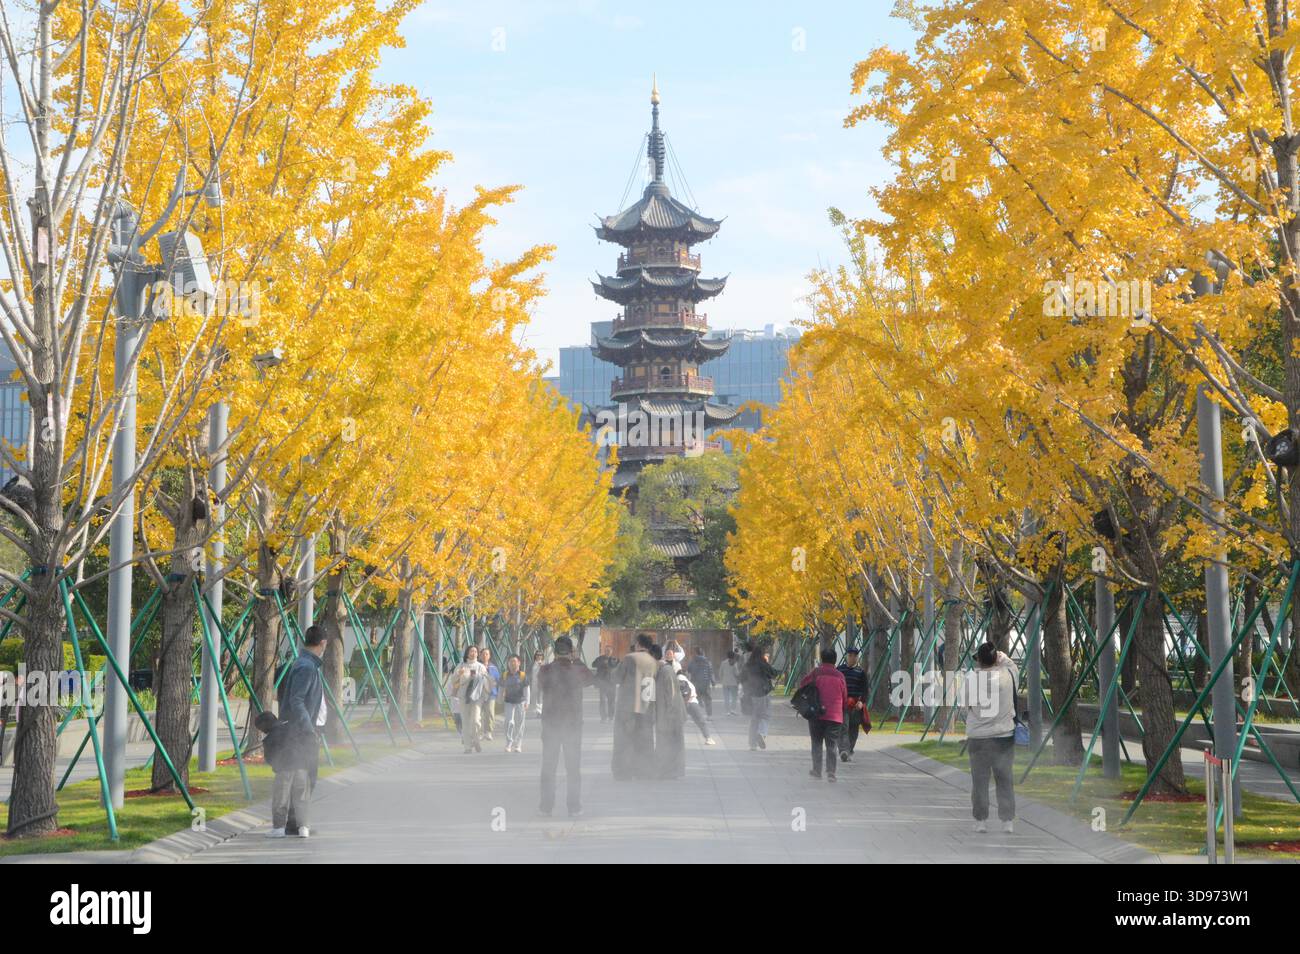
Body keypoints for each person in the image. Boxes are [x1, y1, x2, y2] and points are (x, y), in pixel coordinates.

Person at [271, 625, 328, 837]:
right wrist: (308, 728)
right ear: (322, 643)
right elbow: (296, 700)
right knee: (302, 776)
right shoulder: (306, 666)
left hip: (302, 729)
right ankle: (294, 824)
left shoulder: (305, 663)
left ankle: (296, 824)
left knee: (301, 776)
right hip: (302, 731)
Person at [965, 642, 1018, 833]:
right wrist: (1000, 656)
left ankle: (980, 821)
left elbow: (966, 705)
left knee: (979, 780)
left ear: (978, 660)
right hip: (1003, 736)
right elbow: (1011, 664)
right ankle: (1007, 821)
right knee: (1004, 777)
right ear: (996, 659)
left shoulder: (971, 678)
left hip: (978, 737)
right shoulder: (1008, 675)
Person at [537, 635, 593, 817]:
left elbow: (541, 684)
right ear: (571, 651)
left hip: (551, 724)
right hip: (573, 725)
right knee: (573, 769)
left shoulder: (545, 670)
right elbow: (590, 679)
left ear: (554, 650)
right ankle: (574, 807)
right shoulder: (577, 670)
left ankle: (546, 807)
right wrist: (575, 659)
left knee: (548, 768)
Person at [612, 633, 659, 780]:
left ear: (638, 644)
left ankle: (623, 773)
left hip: (627, 706)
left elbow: (616, 677)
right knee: (644, 741)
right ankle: (644, 771)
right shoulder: (653, 661)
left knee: (623, 740)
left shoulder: (629, 658)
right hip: (647, 706)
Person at [799, 648, 848, 782]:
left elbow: (803, 684)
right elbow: (844, 696)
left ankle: (817, 770)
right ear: (835, 660)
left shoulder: (816, 672)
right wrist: (843, 710)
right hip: (835, 716)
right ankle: (831, 772)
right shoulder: (840, 676)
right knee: (831, 744)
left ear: (821, 659)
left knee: (816, 743)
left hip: (817, 713)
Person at [449, 645, 492, 753]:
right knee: (466, 722)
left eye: (475, 651)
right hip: (464, 697)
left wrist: (481, 677)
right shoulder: (461, 666)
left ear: (478, 654)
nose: (473, 653)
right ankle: (467, 746)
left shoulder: (480, 666)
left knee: (476, 721)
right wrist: (459, 674)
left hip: (477, 698)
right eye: (471, 651)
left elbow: (487, 680)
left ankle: (476, 740)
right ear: (467, 653)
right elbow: (453, 681)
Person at [653, 644, 686, 778]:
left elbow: (671, 695)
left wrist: (668, 716)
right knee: (668, 743)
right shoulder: (662, 670)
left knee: (670, 743)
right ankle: (667, 771)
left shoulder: (665, 671)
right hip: (669, 714)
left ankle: (670, 771)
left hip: (671, 715)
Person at [743, 645, 778, 751]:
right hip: (762, 694)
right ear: (762, 654)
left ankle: (752, 744)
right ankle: (761, 733)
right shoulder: (762, 663)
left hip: (750, 694)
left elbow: (741, 677)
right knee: (765, 716)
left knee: (754, 719)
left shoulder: (748, 664)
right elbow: (774, 673)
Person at [837, 646, 868, 762]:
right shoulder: (839, 670)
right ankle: (843, 750)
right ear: (846, 657)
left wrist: (861, 701)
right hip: (842, 704)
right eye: (850, 655)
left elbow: (865, 690)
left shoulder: (861, 672)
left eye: (855, 656)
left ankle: (849, 750)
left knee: (853, 729)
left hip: (855, 705)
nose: (852, 658)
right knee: (842, 728)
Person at [674, 658, 716, 745]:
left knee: (680, 722)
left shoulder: (678, 679)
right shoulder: (683, 679)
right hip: (691, 702)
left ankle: (675, 739)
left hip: (684, 703)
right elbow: (689, 692)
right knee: (700, 720)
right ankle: (708, 738)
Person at [500, 654, 530, 752]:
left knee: (520, 723)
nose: (513, 663)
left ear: (519, 663)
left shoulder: (522, 675)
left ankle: (518, 744)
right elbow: (501, 688)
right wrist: (499, 699)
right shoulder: (504, 675)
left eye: (515, 661)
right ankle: (509, 743)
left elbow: (527, 689)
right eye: (511, 661)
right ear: (508, 663)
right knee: (508, 722)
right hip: (508, 701)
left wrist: (527, 702)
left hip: (520, 702)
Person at [591, 644, 619, 722]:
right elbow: (593, 665)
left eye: (609, 651)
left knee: (612, 701)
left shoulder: (615, 659)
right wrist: (602, 663)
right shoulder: (600, 658)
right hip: (602, 683)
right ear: (604, 651)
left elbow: (618, 667)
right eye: (606, 650)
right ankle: (603, 718)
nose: (607, 652)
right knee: (602, 701)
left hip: (612, 683)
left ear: (611, 651)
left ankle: (611, 717)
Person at [686, 647, 715, 717]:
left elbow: (689, 670)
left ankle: (698, 714)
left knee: (697, 699)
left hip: (696, 683)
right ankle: (709, 715)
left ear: (696, 653)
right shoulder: (707, 661)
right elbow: (711, 672)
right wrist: (713, 682)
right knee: (708, 699)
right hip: (706, 683)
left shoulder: (693, 661)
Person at [480, 647, 501, 741]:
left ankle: (488, 732)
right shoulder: (478, 666)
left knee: (490, 713)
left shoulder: (493, 668)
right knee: (479, 714)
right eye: (483, 654)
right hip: (480, 693)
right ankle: (481, 732)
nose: (485, 656)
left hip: (491, 693)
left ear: (489, 656)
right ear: (480, 656)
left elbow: (498, 680)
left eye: (487, 654)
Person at [720, 650, 742, 715]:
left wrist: (722, 680)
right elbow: (737, 674)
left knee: (726, 697)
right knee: (734, 697)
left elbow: (720, 673)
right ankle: (733, 710)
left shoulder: (723, 663)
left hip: (725, 683)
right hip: (733, 683)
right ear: (733, 656)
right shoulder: (734, 664)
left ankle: (727, 711)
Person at [528, 650, 546, 716]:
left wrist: (542, 666)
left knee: (540, 697)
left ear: (542, 656)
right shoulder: (532, 663)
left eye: (540, 655)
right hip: (533, 682)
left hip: (541, 683)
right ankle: (535, 711)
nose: (539, 656)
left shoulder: (545, 663)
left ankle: (540, 712)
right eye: (537, 655)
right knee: (534, 697)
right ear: (535, 656)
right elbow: (529, 672)